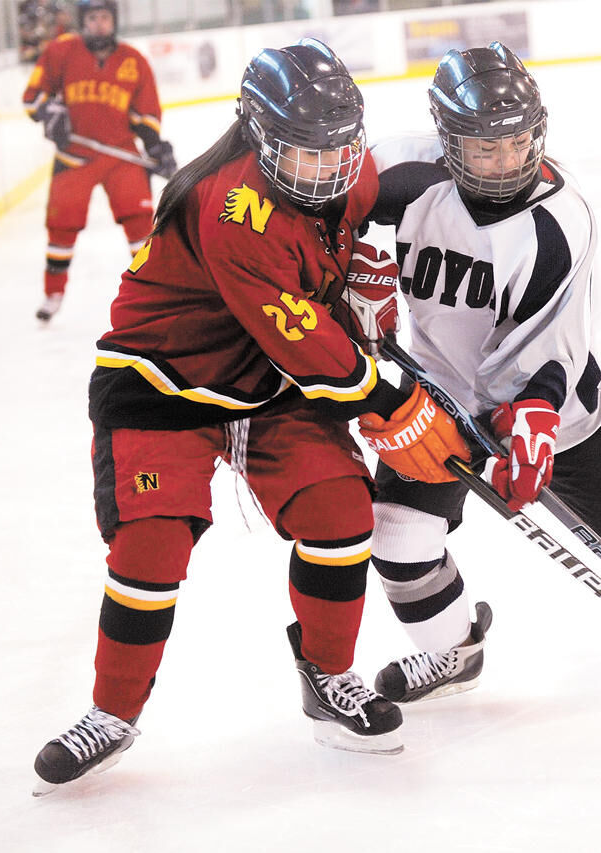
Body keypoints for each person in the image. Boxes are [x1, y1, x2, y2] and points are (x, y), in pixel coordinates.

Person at [31, 38, 469, 795]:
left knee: (342, 515)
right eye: (307, 154)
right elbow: (301, 339)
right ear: (260, 138)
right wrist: (388, 398)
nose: (330, 171)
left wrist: (366, 262)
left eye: (340, 150)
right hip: (164, 379)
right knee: (151, 545)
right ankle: (112, 711)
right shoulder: (232, 207)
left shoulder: (342, 168)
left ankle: (329, 676)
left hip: (269, 381)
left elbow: (385, 199)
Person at [365, 42, 601, 703]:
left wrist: (532, 419)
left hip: (570, 404)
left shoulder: (560, 220)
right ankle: (454, 650)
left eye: (517, 143)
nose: (507, 160)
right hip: (440, 393)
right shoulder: (398, 171)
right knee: (397, 538)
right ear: (447, 139)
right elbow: (323, 229)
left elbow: (551, 350)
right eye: (485, 148)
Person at [22, 0, 177, 323]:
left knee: (139, 223)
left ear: (114, 20)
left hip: (122, 156)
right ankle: (53, 294)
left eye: (105, 17)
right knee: (61, 226)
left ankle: (156, 292)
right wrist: (51, 115)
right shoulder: (60, 52)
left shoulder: (134, 61)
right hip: (74, 157)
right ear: (83, 21)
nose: (100, 24)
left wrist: (155, 146)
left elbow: (146, 114)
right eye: (93, 18)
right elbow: (34, 97)